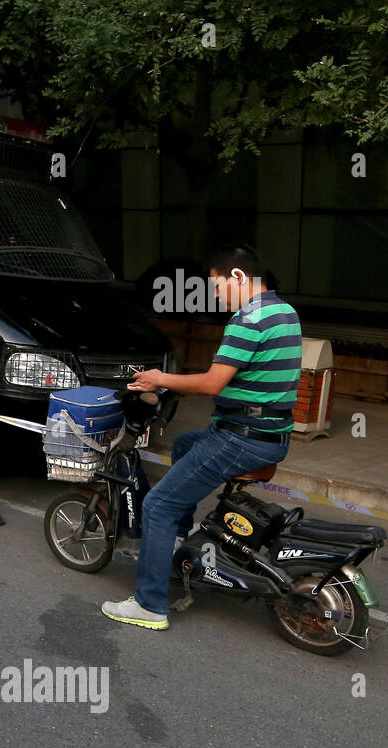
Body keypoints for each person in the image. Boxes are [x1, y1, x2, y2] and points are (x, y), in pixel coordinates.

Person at [102, 244, 300, 630]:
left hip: (242, 437)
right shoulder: (284, 311)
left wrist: (160, 379)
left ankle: (150, 606)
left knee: (157, 505)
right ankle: (175, 544)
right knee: (185, 445)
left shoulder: (248, 319)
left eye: (218, 286)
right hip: (271, 433)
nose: (216, 296)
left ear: (239, 277)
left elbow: (212, 383)